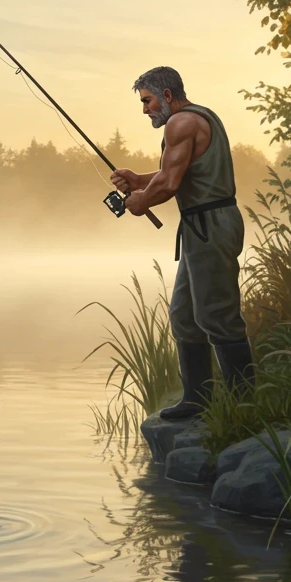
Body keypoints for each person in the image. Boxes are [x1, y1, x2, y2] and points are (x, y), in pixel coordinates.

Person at [111, 66, 254, 419]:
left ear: (167, 95)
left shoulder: (181, 123)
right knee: (185, 316)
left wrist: (140, 201)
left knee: (216, 314)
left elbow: (171, 182)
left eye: (147, 101)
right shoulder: (196, 119)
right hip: (201, 224)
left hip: (211, 224)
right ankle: (197, 401)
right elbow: (174, 173)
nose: (145, 109)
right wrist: (138, 180)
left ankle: (246, 406)